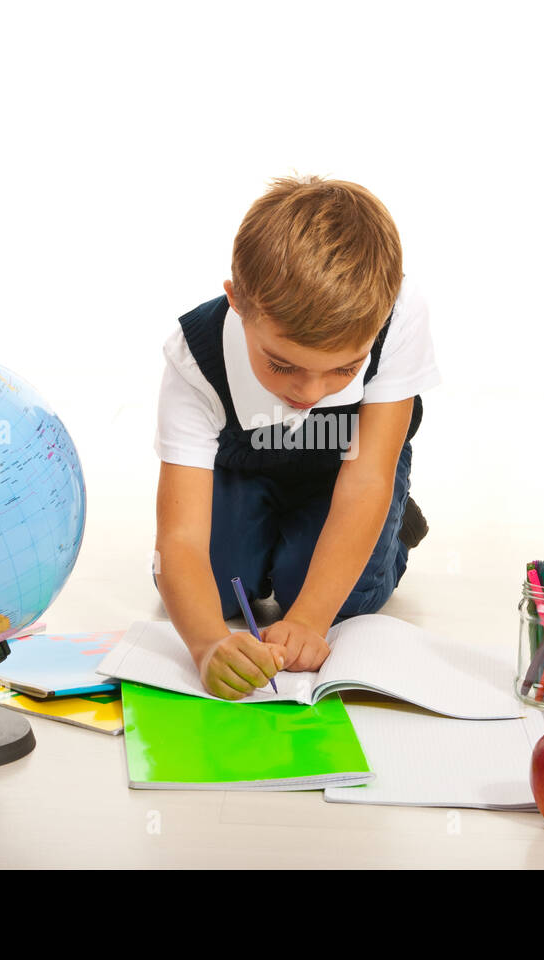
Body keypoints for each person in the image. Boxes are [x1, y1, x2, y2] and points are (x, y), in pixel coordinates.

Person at [152, 174, 439, 699]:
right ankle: (271, 531)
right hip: (247, 465)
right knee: (211, 593)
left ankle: (395, 527)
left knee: (342, 601)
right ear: (238, 301)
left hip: (350, 471)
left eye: (342, 370)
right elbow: (180, 540)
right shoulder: (195, 358)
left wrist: (308, 618)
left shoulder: (399, 314)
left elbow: (367, 478)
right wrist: (208, 644)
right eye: (282, 365)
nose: (310, 391)